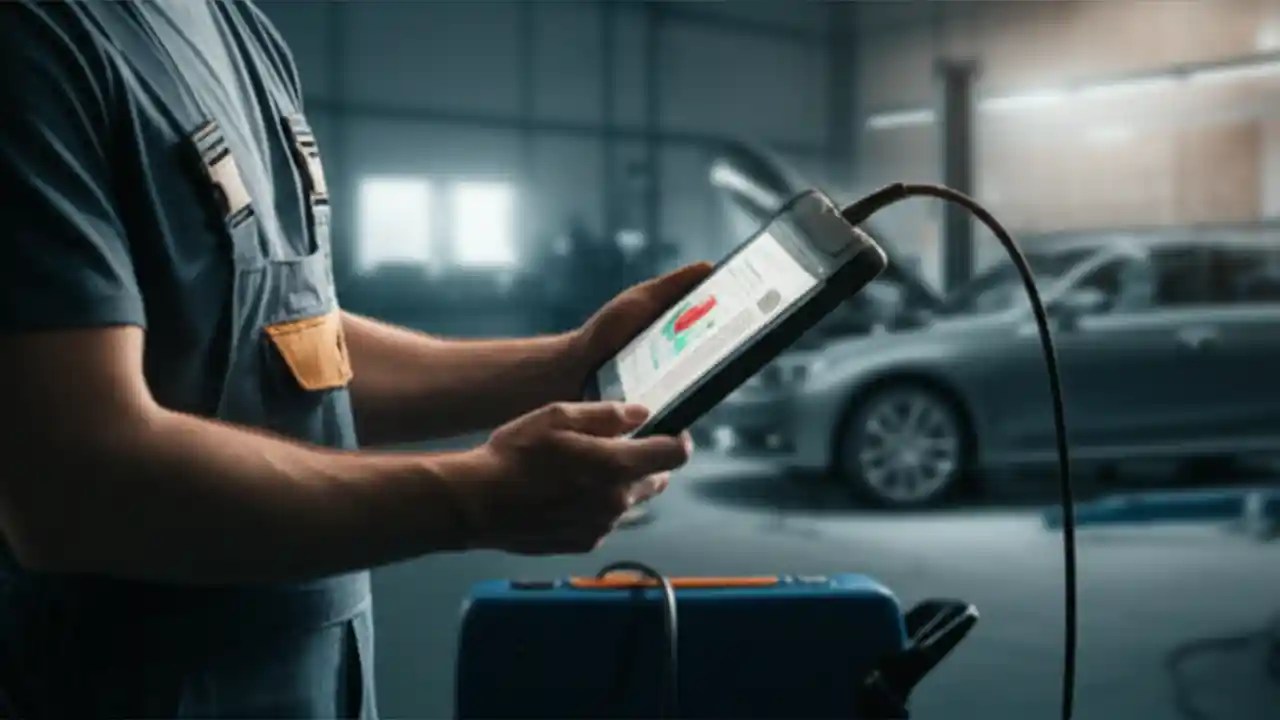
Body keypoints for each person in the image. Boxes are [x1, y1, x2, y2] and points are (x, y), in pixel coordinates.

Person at [0, 2, 711, 717]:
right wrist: (474, 498)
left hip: (315, 679)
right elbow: (72, 478)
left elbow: (285, 340)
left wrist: (564, 363)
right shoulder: (37, 35)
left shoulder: (238, 28)